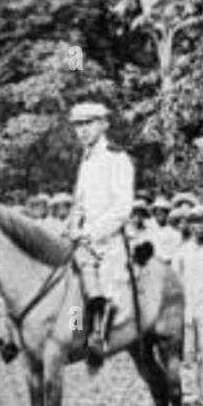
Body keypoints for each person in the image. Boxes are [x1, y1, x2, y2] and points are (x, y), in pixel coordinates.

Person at [67, 101, 134, 366]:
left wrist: (90, 233)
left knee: (104, 287)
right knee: (65, 280)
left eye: (88, 123)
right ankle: (72, 330)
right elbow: (78, 202)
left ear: (104, 124)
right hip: (83, 237)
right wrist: (72, 225)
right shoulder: (86, 161)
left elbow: (122, 208)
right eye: (77, 125)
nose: (81, 130)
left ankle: (98, 336)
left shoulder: (118, 158)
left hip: (110, 239)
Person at [172, 203, 203, 406]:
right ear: (189, 226)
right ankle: (189, 390)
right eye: (195, 222)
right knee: (187, 352)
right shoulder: (182, 252)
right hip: (186, 306)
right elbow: (175, 284)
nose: (199, 227)